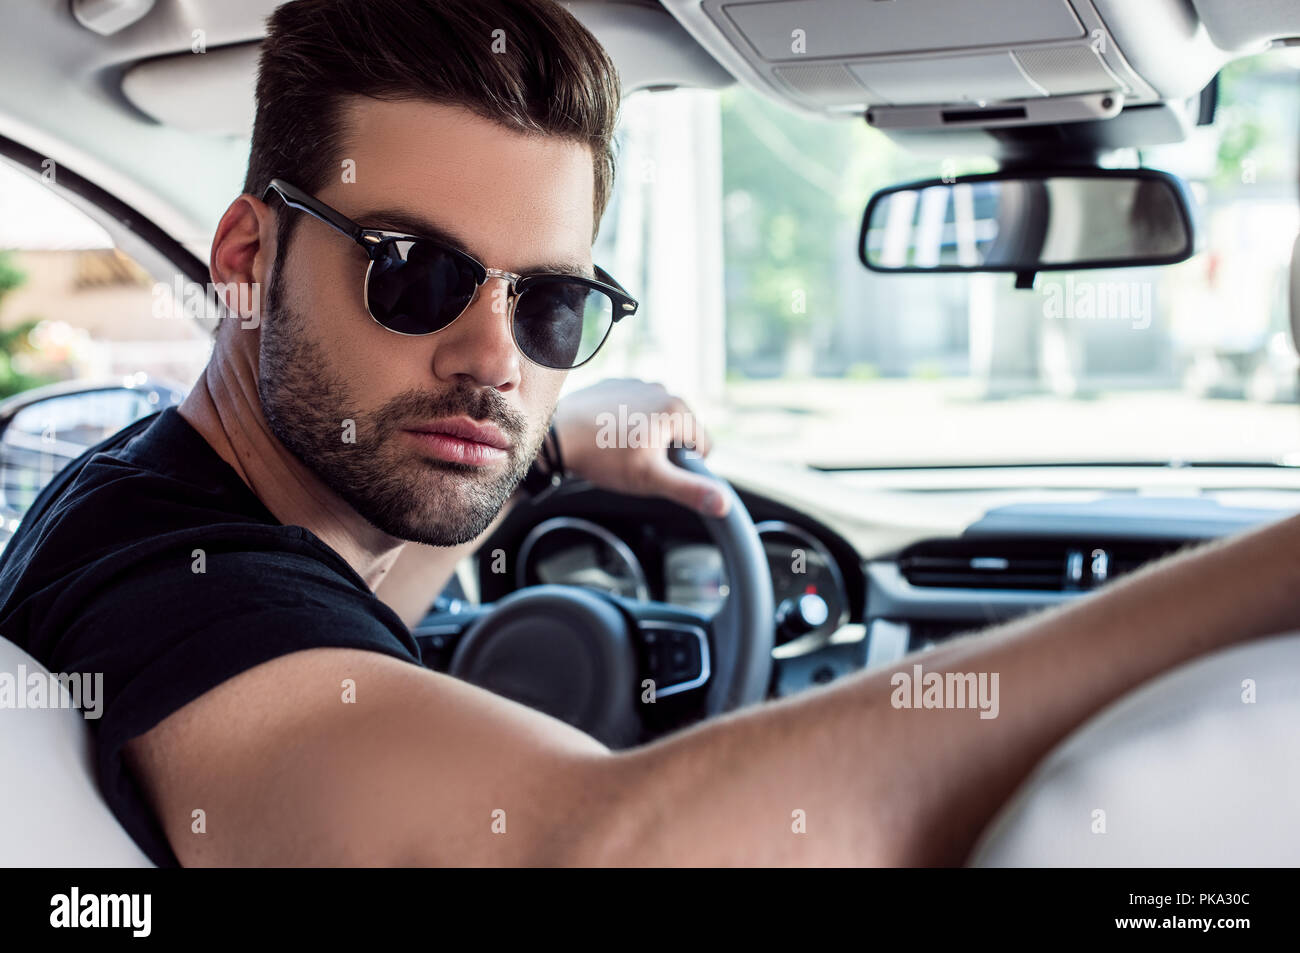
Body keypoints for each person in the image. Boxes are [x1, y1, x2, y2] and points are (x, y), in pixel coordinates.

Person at [3, 0, 1298, 867]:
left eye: (555, 305)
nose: (494, 360)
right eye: (414, 275)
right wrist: (1270, 576)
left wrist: (555, 449)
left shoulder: (144, 497)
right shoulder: (179, 598)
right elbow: (593, 847)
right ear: (244, 259)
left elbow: (386, 530)